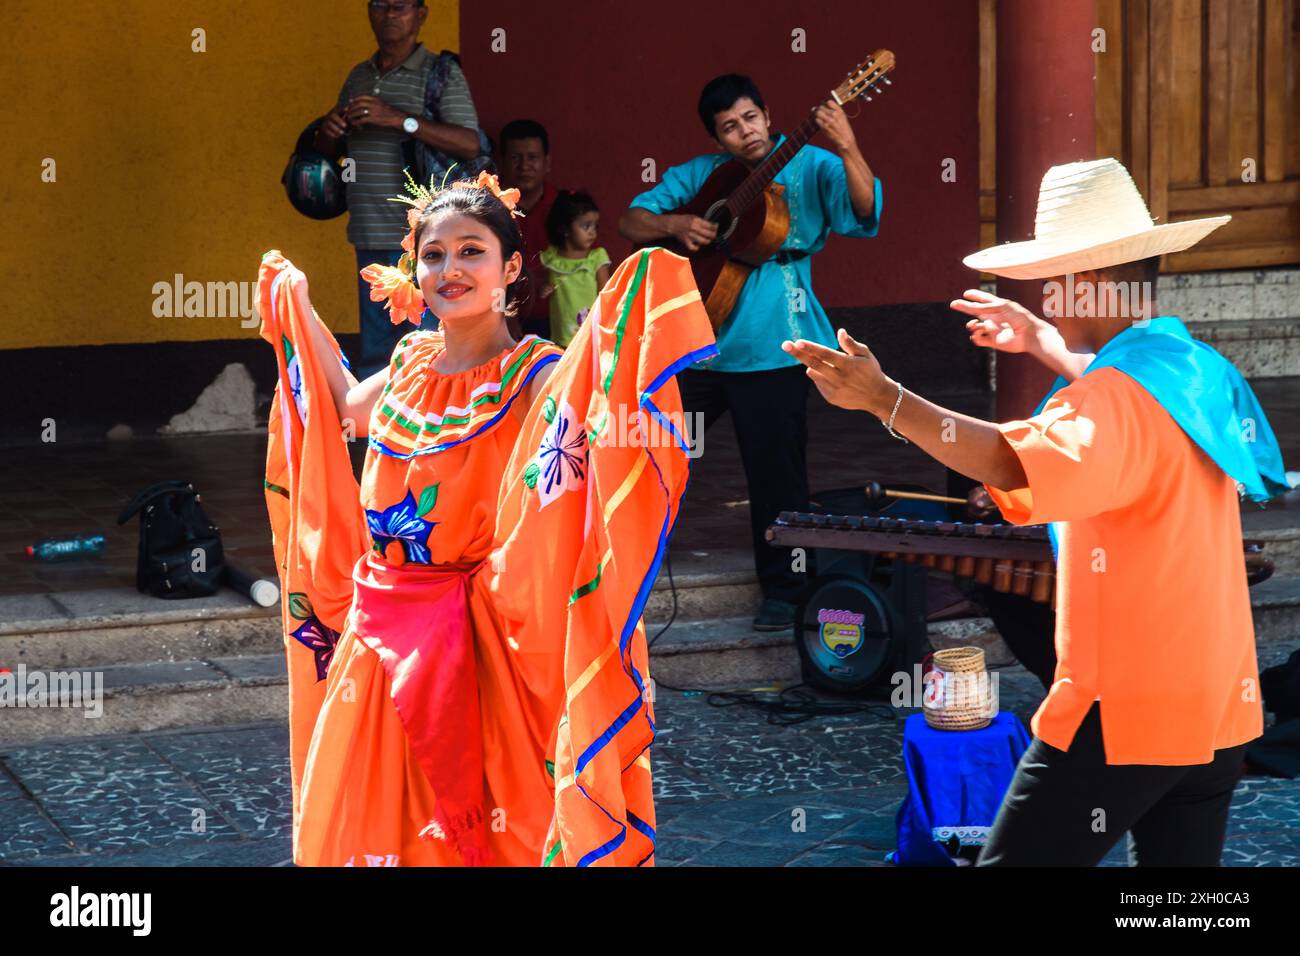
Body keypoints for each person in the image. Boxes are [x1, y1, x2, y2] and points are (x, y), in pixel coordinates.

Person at [783, 157, 1288, 866]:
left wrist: (884, 399)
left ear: (1089, 283)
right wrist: (1044, 343)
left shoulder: (1111, 399)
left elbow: (1006, 461)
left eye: (1055, 283)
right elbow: (1133, 399)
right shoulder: (1195, 367)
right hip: (1217, 700)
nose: (1049, 298)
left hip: (1127, 712)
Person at [257, 171, 716, 866]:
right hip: (380, 639)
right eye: (433, 256)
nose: (450, 269)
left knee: (498, 824)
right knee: (381, 819)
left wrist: (617, 338)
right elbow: (350, 409)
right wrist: (297, 311)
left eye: (471, 251)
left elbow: (579, 449)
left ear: (510, 268)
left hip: (480, 646)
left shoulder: (537, 374)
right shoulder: (410, 362)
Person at [619, 73, 883, 631]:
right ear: (718, 140)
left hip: (778, 348)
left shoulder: (811, 165)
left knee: (776, 475)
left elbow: (863, 211)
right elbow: (631, 220)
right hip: (700, 352)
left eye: (750, 119)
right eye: (729, 128)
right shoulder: (703, 175)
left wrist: (847, 144)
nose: (744, 133)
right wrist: (674, 223)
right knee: (650, 448)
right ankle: (621, 571)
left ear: (767, 114)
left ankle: (787, 591)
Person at [312, 0, 488, 377]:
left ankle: (429, 432)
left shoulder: (440, 73)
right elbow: (335, 148)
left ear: (420, 15)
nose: (390, 14)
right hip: (369, 231)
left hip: (424, 240)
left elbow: (470, 143)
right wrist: (328, 135)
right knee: (378, 355)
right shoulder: (359, 75)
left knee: (428, 347)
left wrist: (399, 120)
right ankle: (382, 431)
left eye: (400, 6)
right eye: (380, 5)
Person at [498, 119, 558, 339]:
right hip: (501, 319)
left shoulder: (567, 207)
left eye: (532, 157)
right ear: (502, 162)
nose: (524, 166)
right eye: (515, 158)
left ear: (547, 162)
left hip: (559, 320)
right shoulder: (489, 210)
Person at [540, 190, 612, 348]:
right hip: (558, 339)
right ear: (564, 228)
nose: (592, 232)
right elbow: (542, 282)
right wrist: (544, 287)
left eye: (595, 226)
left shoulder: (596, 258)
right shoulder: (551, 258)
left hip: (590, 338)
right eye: (586, 226)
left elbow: (606, 294)